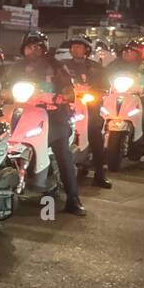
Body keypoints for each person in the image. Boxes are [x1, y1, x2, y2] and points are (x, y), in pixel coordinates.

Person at [4, 30, 85, 216]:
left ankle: (73, 199)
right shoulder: (15, 67)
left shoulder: (56, 66)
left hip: (53, 116)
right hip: (21, 114)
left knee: (62, 152)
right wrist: (2, 93)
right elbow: (3, 86)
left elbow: (69, 92)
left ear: (44, 49)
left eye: (37, 46)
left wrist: (60, 97)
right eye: (29, 46)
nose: (33, 50)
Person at [62, 36, 111, 188]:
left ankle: (99, 175)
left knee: (95, 135)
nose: (76, 49)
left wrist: (95, 91)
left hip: (90, 107)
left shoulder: (96, 67)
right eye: (74, 47)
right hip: (68, 107)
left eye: (79, 47)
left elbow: (105, 87)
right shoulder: (62, 66)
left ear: (87, 50)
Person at [108, 40, 144, 170]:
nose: (127, 53)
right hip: (117, 96)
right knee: (97, 116)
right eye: (125, 51)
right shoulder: (115, 64)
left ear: (138, 54)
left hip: (139, 98)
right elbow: (104, 75)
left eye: (131, 51)